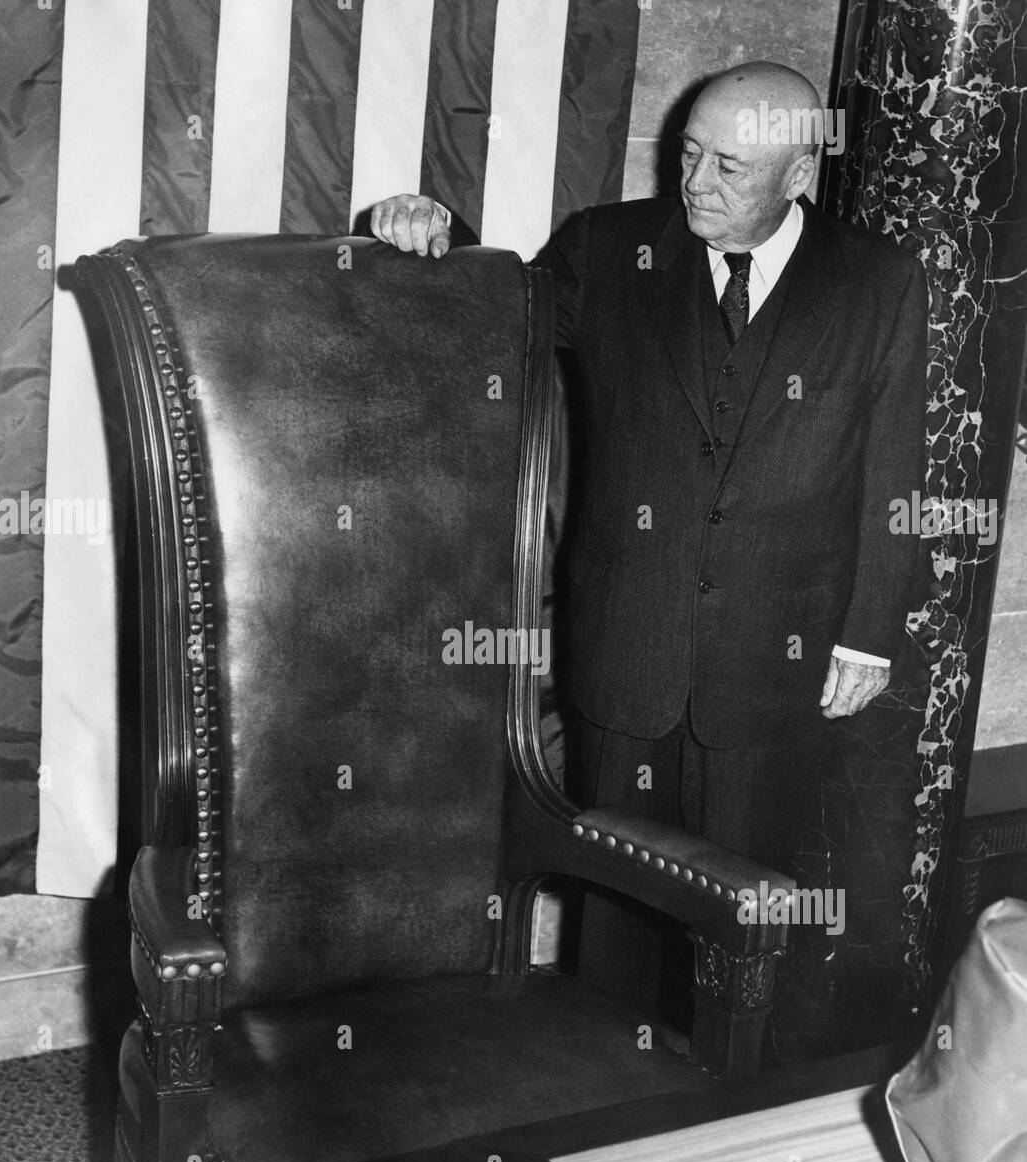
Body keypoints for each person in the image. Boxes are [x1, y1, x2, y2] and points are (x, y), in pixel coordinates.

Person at [370, 62, 929, 1061]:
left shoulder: (879, 283)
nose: (698, 184)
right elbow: (495, 313)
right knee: (616, 926)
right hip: (625, 655)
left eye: (730, 166)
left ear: (801, 172)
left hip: (777, 664)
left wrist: (870, 634)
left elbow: (896, 467)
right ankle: (602, 1106)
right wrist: (431, 231)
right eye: (688, 156)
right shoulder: (607, 249)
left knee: (751, 920)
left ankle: (726, 1112)